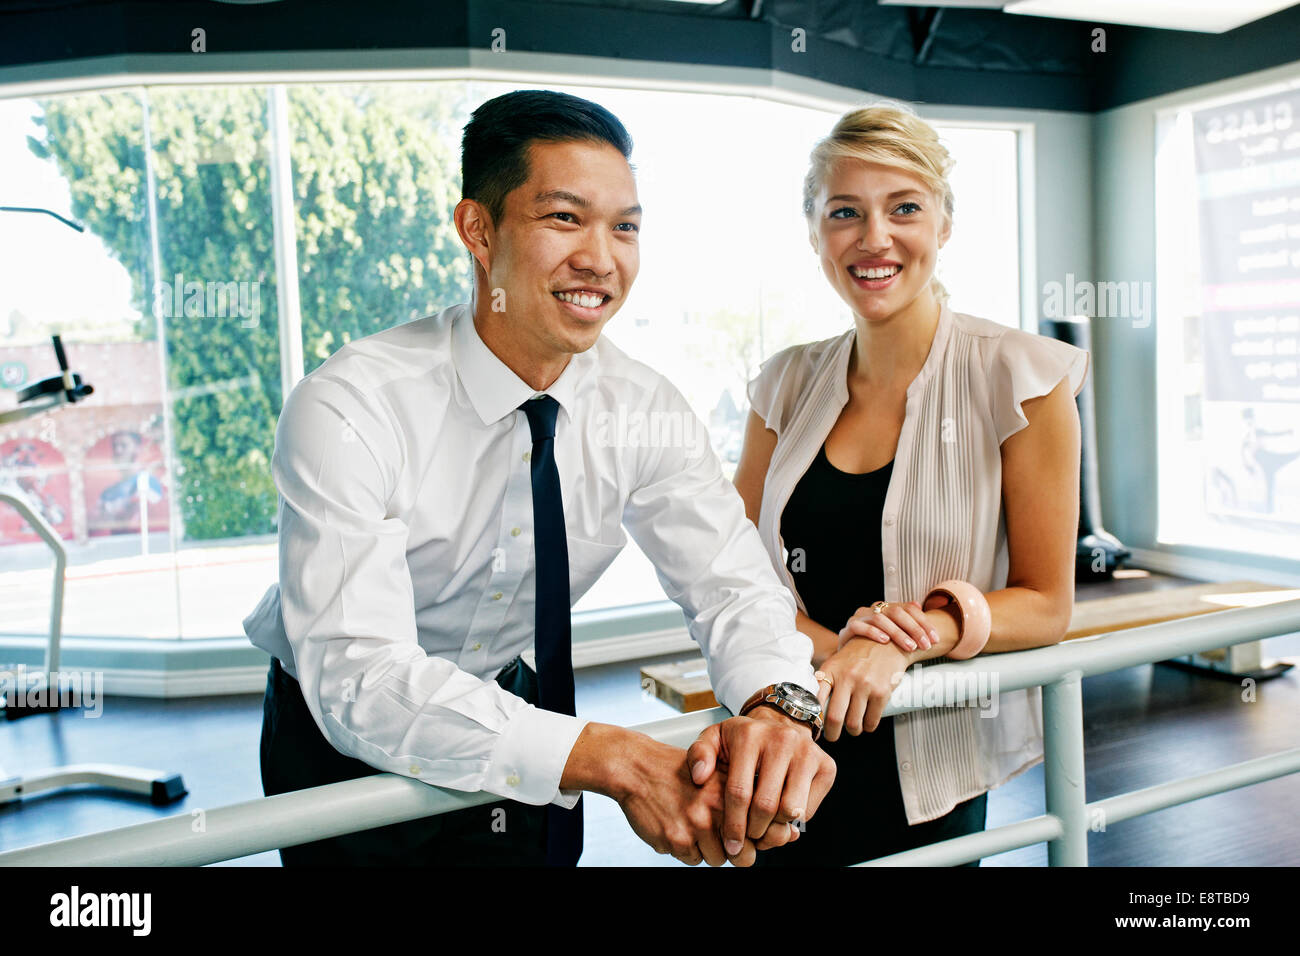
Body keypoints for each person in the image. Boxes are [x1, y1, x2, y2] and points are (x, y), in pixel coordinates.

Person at [243, 89, 836, 868]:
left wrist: (775, 708)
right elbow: (362, 676)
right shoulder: (352, 405)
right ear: (478, 231)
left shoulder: (642, 406)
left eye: (624, 226)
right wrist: (611, 758)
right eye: (564, 218)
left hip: (510, 694)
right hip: (335, 726)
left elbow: (731, 583)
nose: (601, 257)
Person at [734, 104, 1088, 866]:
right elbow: (735, 575)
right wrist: (841, 657)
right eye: (845, 213)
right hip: (788, 738)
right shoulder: (783, 383)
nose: (874, 238)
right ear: (815, 232)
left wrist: (903, 646)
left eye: (904, 209)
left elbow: (1046, 603)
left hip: (931, 757)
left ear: (944, 224)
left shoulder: (1021, 376)